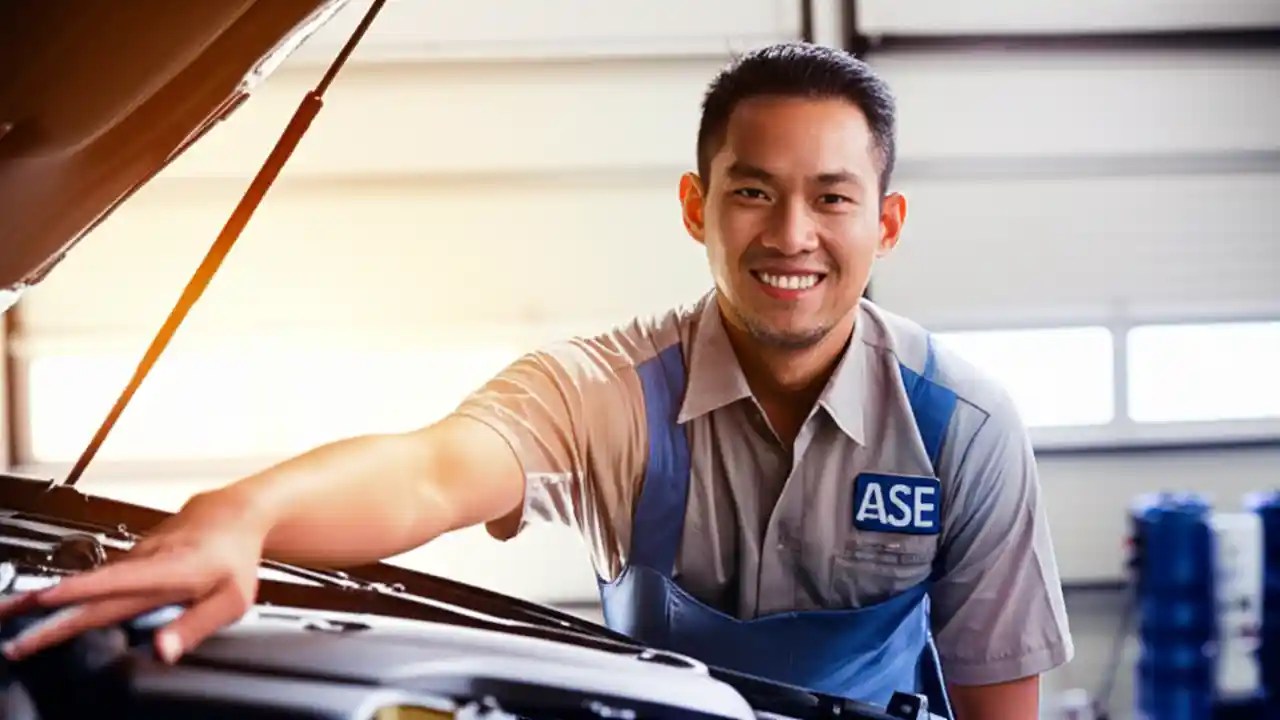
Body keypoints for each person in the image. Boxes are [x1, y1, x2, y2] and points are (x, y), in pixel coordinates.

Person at [0, 42, 1072, 719]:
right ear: (697, 207)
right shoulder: (611, 391)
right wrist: (237, 515)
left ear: (883, 223)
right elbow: (428, 473)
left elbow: (995, 703)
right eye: (753, 192)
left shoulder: (961, 429)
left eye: (831, 199)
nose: (789, 235)